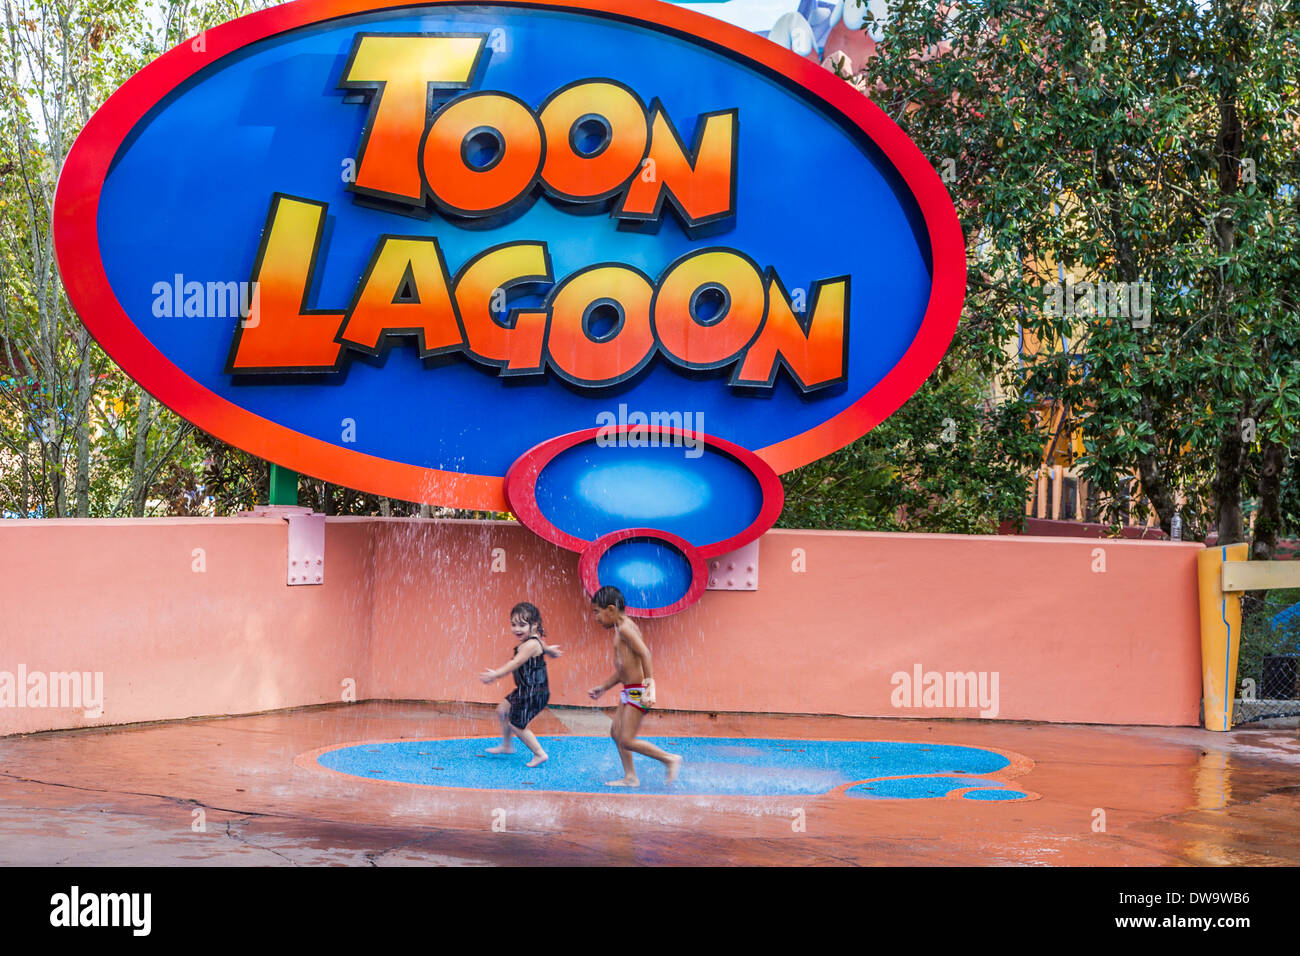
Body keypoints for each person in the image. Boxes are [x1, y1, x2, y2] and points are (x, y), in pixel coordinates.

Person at [587, 586, 682, 786]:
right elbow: (624, 669)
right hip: (629, 691)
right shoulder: (620, 629)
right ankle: (630, 776)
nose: (595, 617)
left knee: (627, 739)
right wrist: (604, 686)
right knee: (616, 734)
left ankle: (669, 759)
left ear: (611, 610)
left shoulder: (625, 630)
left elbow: (645, 654)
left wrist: (650, 687)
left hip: (639, 692)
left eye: (597, 611)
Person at [480, 602, 561, 768]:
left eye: (522, 625)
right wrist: (550, 651)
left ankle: (539, 753)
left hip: (534, 693)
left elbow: (515, 663)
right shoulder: (534, 640)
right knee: (502, 710)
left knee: (517, 725)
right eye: (513, 624)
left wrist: (495, 674)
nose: (517, 629)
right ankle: (507, 745)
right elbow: (542, 645)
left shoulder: (530, 645)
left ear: (534, 625)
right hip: (525, 690)